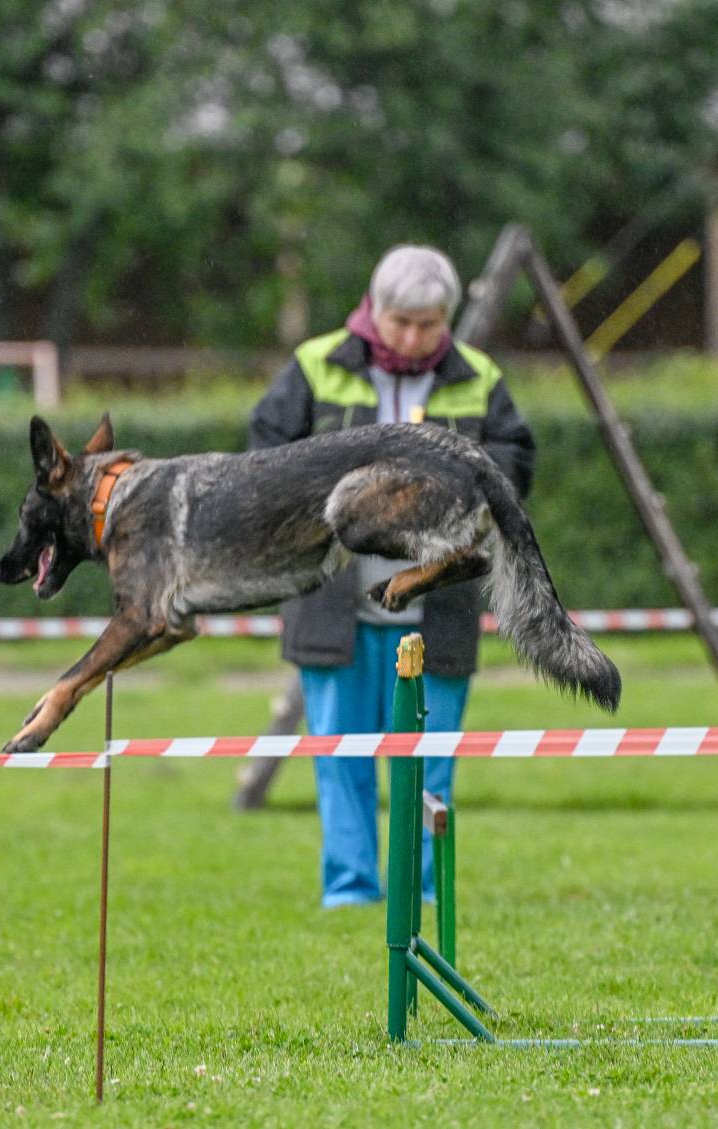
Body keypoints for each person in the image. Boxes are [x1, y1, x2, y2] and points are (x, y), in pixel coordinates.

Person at [248, 245, 535, 908]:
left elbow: (514, 463)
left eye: (428, 324)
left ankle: (429, 892)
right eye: (401, 321)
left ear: (448, 321)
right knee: (341, 759)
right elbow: (265, 458)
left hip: (441, 609)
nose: (412, 337)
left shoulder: (480, 377)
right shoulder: (315, 366)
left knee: (431, 764)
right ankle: (351, 889)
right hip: (332, 603)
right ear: (374, 311)